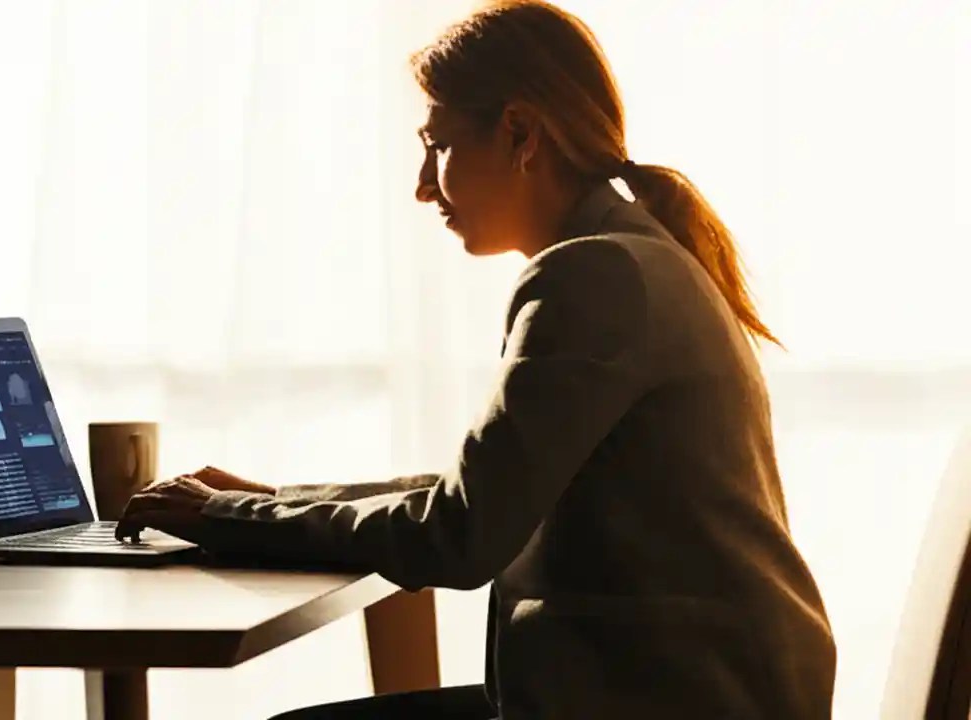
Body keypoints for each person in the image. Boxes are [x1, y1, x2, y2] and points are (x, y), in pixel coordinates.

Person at [117, 1, 837, 717]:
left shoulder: (591, 278)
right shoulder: (634, 257)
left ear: (521, 132)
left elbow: (458, 536)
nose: (423, 184)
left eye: (438, 146)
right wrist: (271, 503)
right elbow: (484, 494)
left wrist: (228, 517)